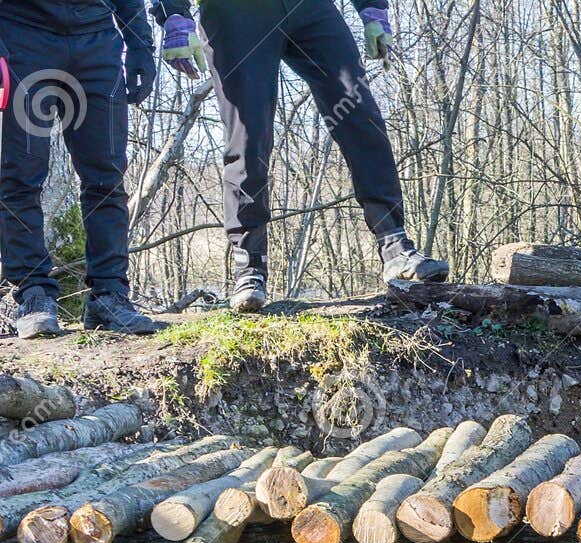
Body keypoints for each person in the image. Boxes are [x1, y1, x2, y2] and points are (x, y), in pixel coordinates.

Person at [152, 0, 447, 311]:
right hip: (233, 13)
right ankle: (249, 267)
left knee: (359, 112)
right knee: (249, 136)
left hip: (309, 8)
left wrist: (372, 9)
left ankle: (394, 244)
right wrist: (174, 15)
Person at [0, 0, 159, 338]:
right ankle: (33, 295)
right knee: (21, 174)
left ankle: (109, 294)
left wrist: (140, 44)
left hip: (97, 40)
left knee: (106, 176)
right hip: (21, 35)